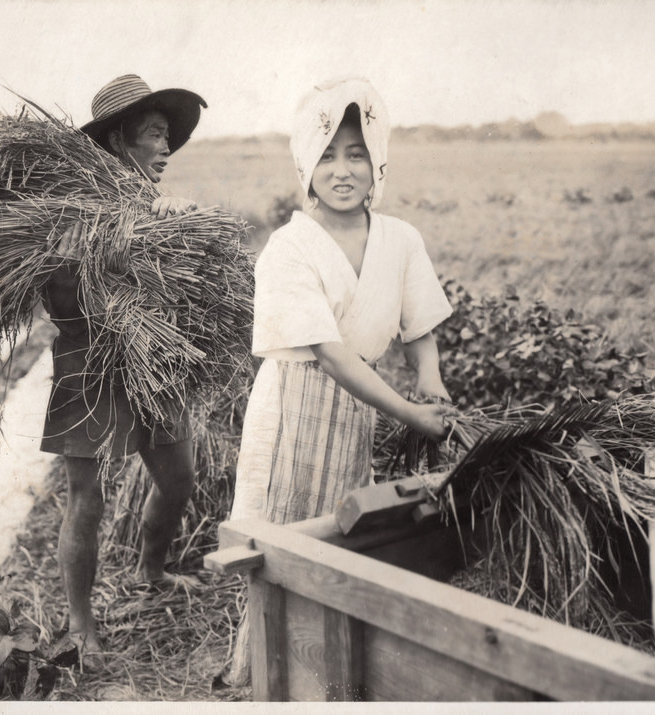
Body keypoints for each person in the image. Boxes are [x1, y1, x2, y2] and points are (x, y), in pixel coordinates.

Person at [225, 78, 455, 684]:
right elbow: (328, 354)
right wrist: (409, 414)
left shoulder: (401, 239)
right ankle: (266, 675)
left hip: (358, 407)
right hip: (293, 408)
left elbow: (420, 326)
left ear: (377, 161)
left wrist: (429, 381)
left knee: (344, 527)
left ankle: (325, 670)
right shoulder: (289, 248)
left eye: (356, 153)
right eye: (327, 154)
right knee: (279, 534)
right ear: (305, 163)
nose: (343, 170)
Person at [41, 74, 205, 655]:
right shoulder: (73, 208)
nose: (166, 148)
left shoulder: (156, 206)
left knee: (179, 477)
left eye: (167, 136)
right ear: (117, 141)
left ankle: (150, 571)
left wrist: (171, 233)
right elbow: (58, 296)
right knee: (87, 497)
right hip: (89, 362)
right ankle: (82, 623)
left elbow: (176, 287)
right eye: (155, 134)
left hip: (152, 359)